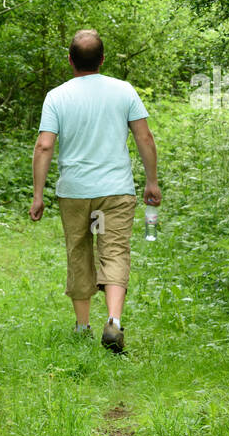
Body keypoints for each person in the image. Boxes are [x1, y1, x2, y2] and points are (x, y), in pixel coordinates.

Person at [29, 28, 161, 353]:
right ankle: (114, 323)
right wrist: (152, 180)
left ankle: (82, 327)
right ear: (102, 59)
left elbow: (45, 146)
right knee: (114, 250)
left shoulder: (57, 96)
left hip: (75, 192)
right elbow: (144, 138)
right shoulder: (124, 91)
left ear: (70, 61)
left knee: (79, 251)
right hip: (115, 191)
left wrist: (37, 194)